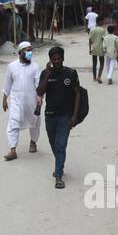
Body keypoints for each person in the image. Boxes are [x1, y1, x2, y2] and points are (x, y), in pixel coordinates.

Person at [36, 45, 82, 189]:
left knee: (60, 145)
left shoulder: (71, 73)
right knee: (53, 144)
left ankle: (58, 176)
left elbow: (78, 94)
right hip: (50, 115)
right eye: (53, 59)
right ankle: (59, 165)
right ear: (50, 60)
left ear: (63, 58)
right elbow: (39, 91)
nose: (56, 61)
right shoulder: (45, 73)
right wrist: (48, 74)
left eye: (58, 59)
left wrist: (74, 116)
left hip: (65, 116)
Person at [1, 41, 41, 161]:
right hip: (16, 100)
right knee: (13, 121)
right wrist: (4, 99)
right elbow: (7, 84)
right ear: (20, 52)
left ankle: (33, 141)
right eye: (27, 50)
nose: (30, 53)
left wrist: (40, 98)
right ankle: (13, 149)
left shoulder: (35, 67)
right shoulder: (12, 66)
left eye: (31, 50)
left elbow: (39, 84)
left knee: (35, 123)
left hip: (31, 101)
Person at [88, 17, 107, 84]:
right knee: (101, 63)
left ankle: (94, 77)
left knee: (94, 63)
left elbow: (90, 40)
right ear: (101, 22)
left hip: (94, 48)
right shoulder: (103, 30)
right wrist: (105, 48)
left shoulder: (92, 30)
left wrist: (90, 49)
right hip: (101, 48)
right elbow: (104, 39)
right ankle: (99, 76)